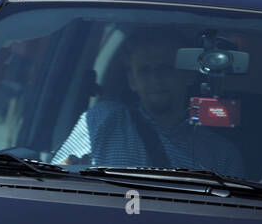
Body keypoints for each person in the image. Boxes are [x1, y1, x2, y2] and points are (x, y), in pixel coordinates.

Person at [51, 32, 245, 177]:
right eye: (145, 71)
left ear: (189, 75)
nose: (155, 79)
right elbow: (59, 179)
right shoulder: (101, 121)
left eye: (165, 69)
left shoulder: (221, 155)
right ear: (132, 80)